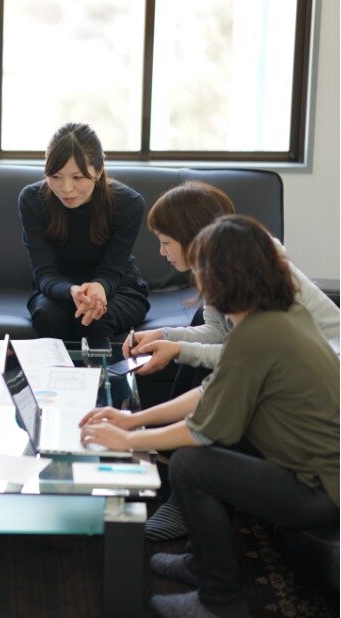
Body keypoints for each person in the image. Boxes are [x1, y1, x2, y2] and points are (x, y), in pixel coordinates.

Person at [79, 215, 339, 618]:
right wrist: (133, 420)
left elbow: (201, 431)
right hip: (316, 470)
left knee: (190, 465)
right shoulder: (279, 315)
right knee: (196, 454)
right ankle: (203, 563)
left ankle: (221, 601)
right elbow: (209, 393)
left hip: (319, 488)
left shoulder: (258, 335)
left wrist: (130, 441)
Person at [122, 182, 340, 541]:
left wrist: (133, 433)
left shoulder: (261, 284)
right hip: (292, 395)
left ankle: (181, 485)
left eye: (165, 241)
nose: (161, 252)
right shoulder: (228, 268)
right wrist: (165, 337)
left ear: (193, 238)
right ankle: (173, 475)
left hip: (321, 384)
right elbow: (218, 335)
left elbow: (247, 358)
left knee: (196, 367)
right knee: (191, 347)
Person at [18, 122, 149, 340]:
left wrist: (99, 287)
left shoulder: (128, 203)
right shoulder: (32, 199)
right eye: (55, 176)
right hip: (57, 289)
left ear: (99, 171)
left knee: (94, 319)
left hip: (117, 288)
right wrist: (73, 291)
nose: (66, 188)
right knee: (48, 316)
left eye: (78, 177)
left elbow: (112, 272)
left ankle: (99, 366)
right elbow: (44, 274)